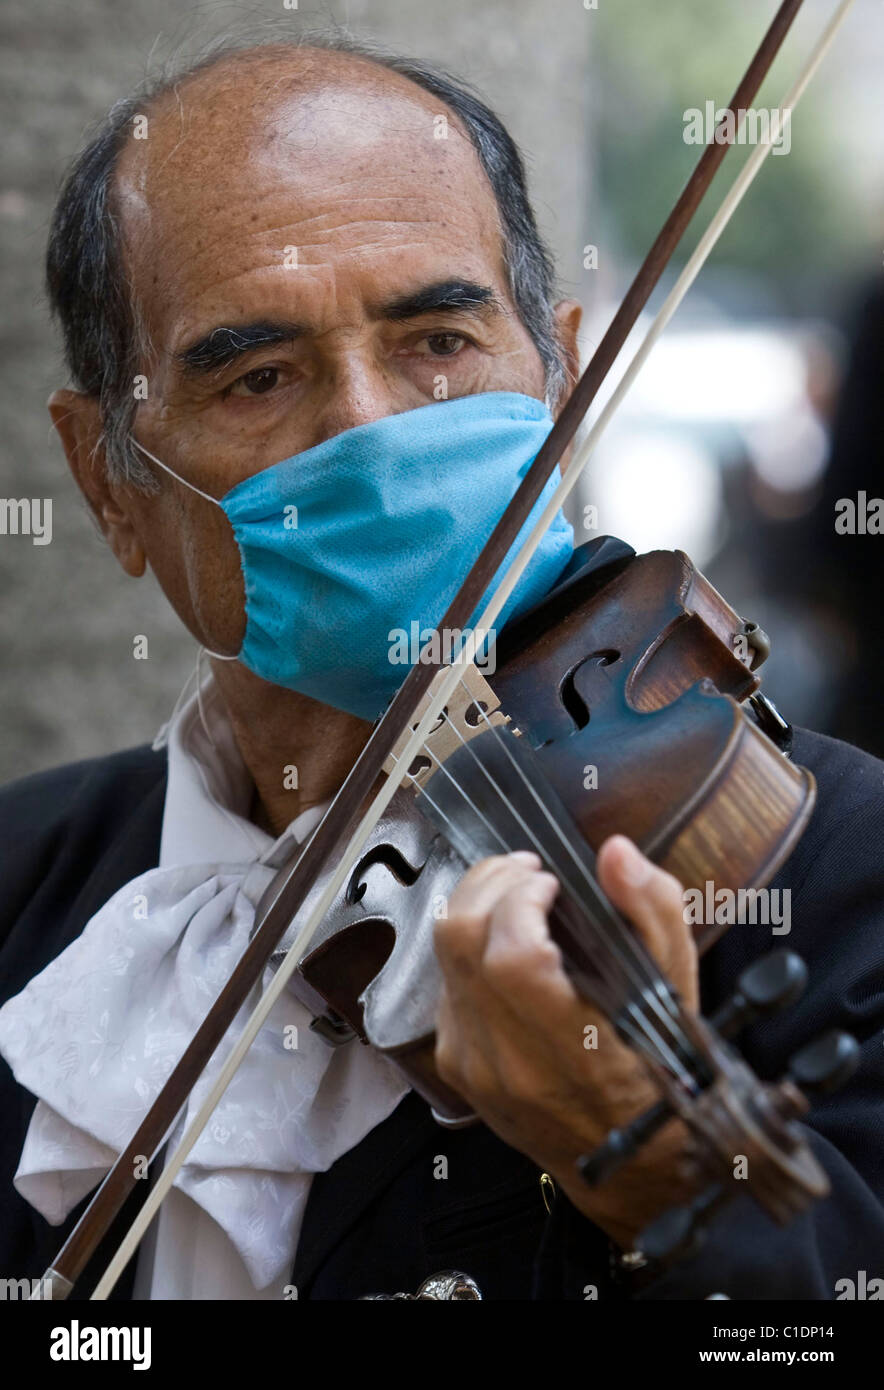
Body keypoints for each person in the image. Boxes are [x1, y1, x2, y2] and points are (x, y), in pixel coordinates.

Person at [0, 35, 881, 1302]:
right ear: (108, 483)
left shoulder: (834, 870)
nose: (370, 425)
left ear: (560, 375)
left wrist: (659, 1176)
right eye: (257, 374)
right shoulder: (28, 885)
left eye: (438, 342)